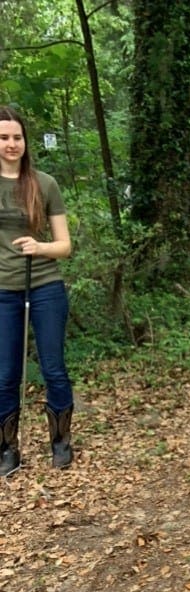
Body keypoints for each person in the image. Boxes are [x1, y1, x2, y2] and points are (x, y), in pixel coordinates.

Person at [0, 105, 74, 476]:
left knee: (53, 368)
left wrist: (39, 247)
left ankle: (60, 442)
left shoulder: (44, 184)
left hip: (44, 285)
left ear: (26, 142)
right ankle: (7, 448)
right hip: (2, 291)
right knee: (4, 374)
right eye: (3, 137)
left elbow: (64, 245)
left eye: (17, 137)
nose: (11, 144)